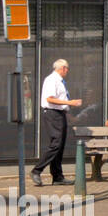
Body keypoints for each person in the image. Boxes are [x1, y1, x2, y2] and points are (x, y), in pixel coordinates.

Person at [33, 58, 81, 186]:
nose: (68, 71)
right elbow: (50, 99)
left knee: (60, 146)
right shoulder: (52, 80)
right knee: (56, 143)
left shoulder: (60, 81)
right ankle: (36, 170)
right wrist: (69, 103)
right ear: (63, 68)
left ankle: (58, 177)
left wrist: (67, 112)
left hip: (60, 114)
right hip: (52, 114)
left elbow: (59, 100)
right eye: (67, 68)